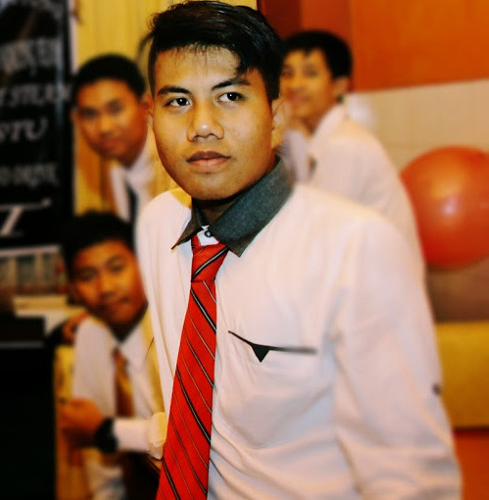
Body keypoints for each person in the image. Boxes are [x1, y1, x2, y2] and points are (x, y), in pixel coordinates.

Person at [137, 1, 460, 498]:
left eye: (229, 96)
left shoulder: (351, 250)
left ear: (276, 115)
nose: (202, 125)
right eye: (178, 101)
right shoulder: (160, 225)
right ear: (152, 116)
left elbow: (409, 470)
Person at [280, 30, 423, 262]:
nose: (294, 85)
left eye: (310, 73)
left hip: (379, 274)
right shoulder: (312, 137)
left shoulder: (345, 145)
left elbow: (320, 232)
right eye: (287, 73)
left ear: (339, 85)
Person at [58, 212, 166, 500]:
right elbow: (101, 462)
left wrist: (107, 431)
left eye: (116, 268)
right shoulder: (90, 335)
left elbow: (196, 436)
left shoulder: (172, 329)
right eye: (87, 276)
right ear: (73, 290)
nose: (105, 288)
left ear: (143, 265)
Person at [71, 54, 176, 222]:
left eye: (116, 110)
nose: (104, 128)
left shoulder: (173, 168)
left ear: (146, 106)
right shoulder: (116, 167)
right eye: (90, 114)